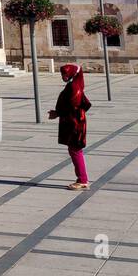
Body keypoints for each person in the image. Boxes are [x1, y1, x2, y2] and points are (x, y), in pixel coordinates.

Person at [48, 62, 91, 190]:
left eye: (65, 74)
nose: (63, 76)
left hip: (75, 123)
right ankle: (82, 178)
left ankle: (82, 180)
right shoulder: (73, 85)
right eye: (62, 74)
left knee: (75, 150)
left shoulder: (74, 87)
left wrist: (58, 113)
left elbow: (73, 104)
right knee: (74, 150)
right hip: (74, 121)